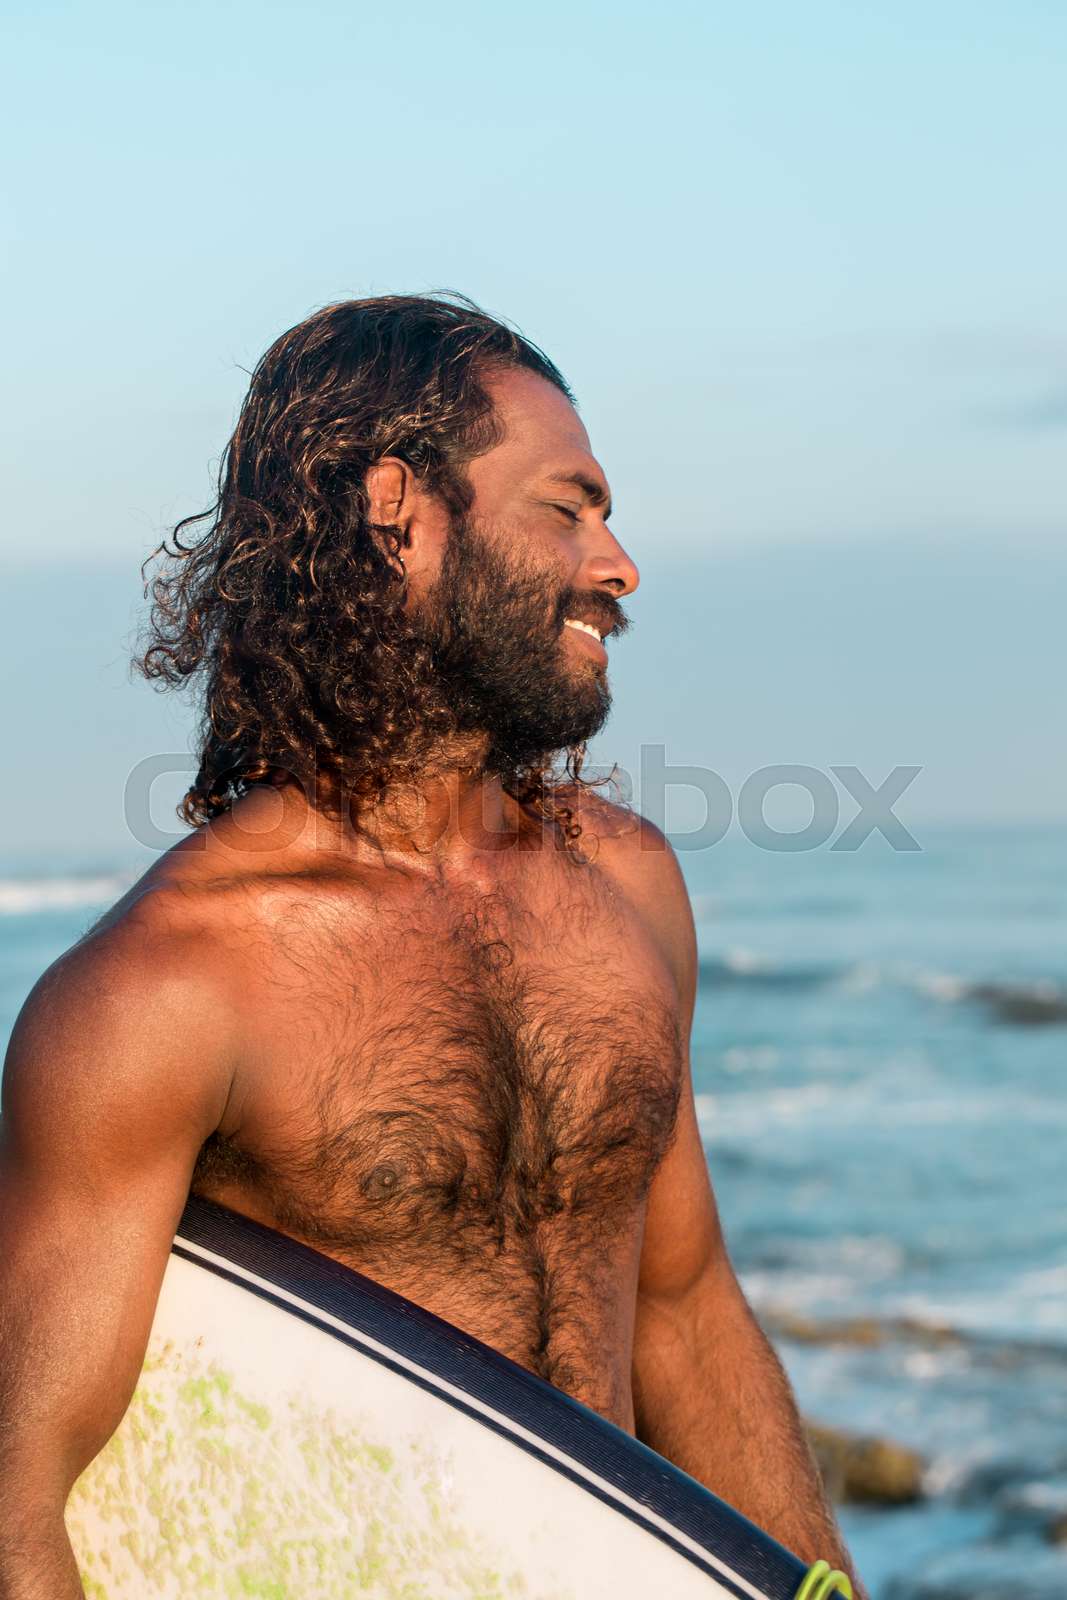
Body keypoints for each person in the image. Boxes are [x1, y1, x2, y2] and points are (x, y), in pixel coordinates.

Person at [0, 295, 859, 1597]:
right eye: (565, 509)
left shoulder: (628, 890)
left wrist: (821, 1583)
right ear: (400, 512)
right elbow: (17, 1495)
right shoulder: (171, 986)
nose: (618, 563)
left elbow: (685, 1312)